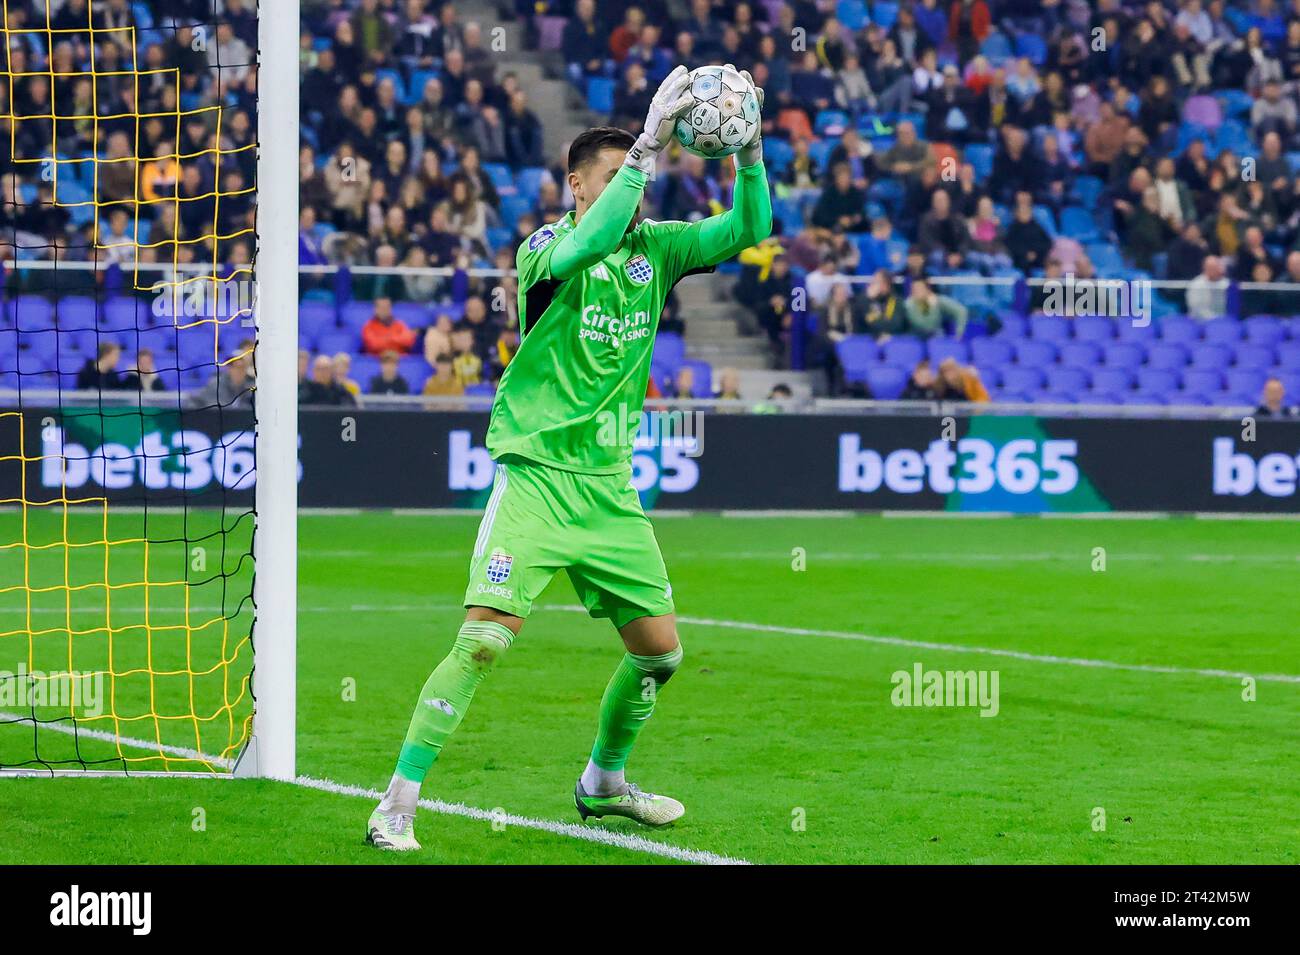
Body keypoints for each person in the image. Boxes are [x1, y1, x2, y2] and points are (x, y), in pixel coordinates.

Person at [367, 67, 773, 850]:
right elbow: (588, 241)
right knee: (483, 641)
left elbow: (748, 228)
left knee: (661, 656)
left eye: (640, 178)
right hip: (537, 484)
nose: (636, 189)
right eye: (618, 175)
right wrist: (649, 146)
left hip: (609, 493)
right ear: (577, 187)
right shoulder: (547, 250)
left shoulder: (658, 249)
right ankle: (397, 803)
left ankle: (603, 782)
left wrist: (749, 154)